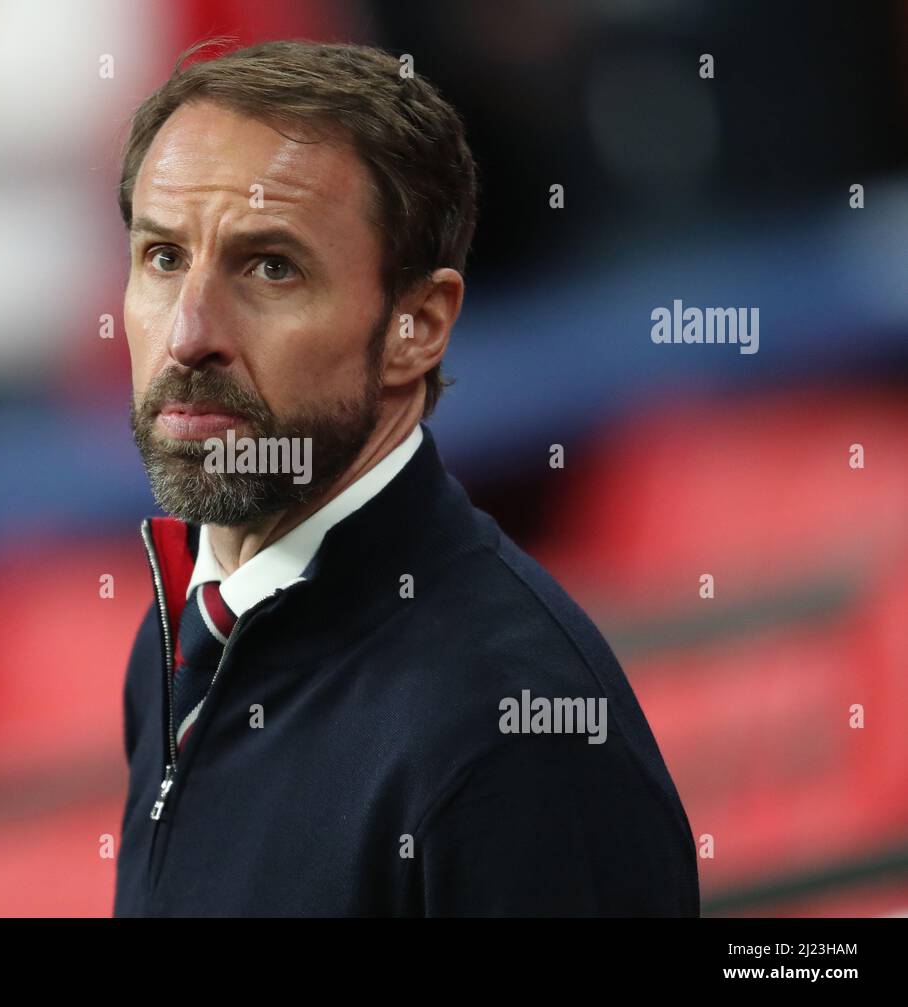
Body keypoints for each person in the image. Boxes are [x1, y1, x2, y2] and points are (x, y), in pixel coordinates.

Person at [112, 38, 699, 916]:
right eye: (164, 257)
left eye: (271, 266)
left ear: (416, 325)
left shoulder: (513, 740)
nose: (189, 331)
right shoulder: (188, 625)